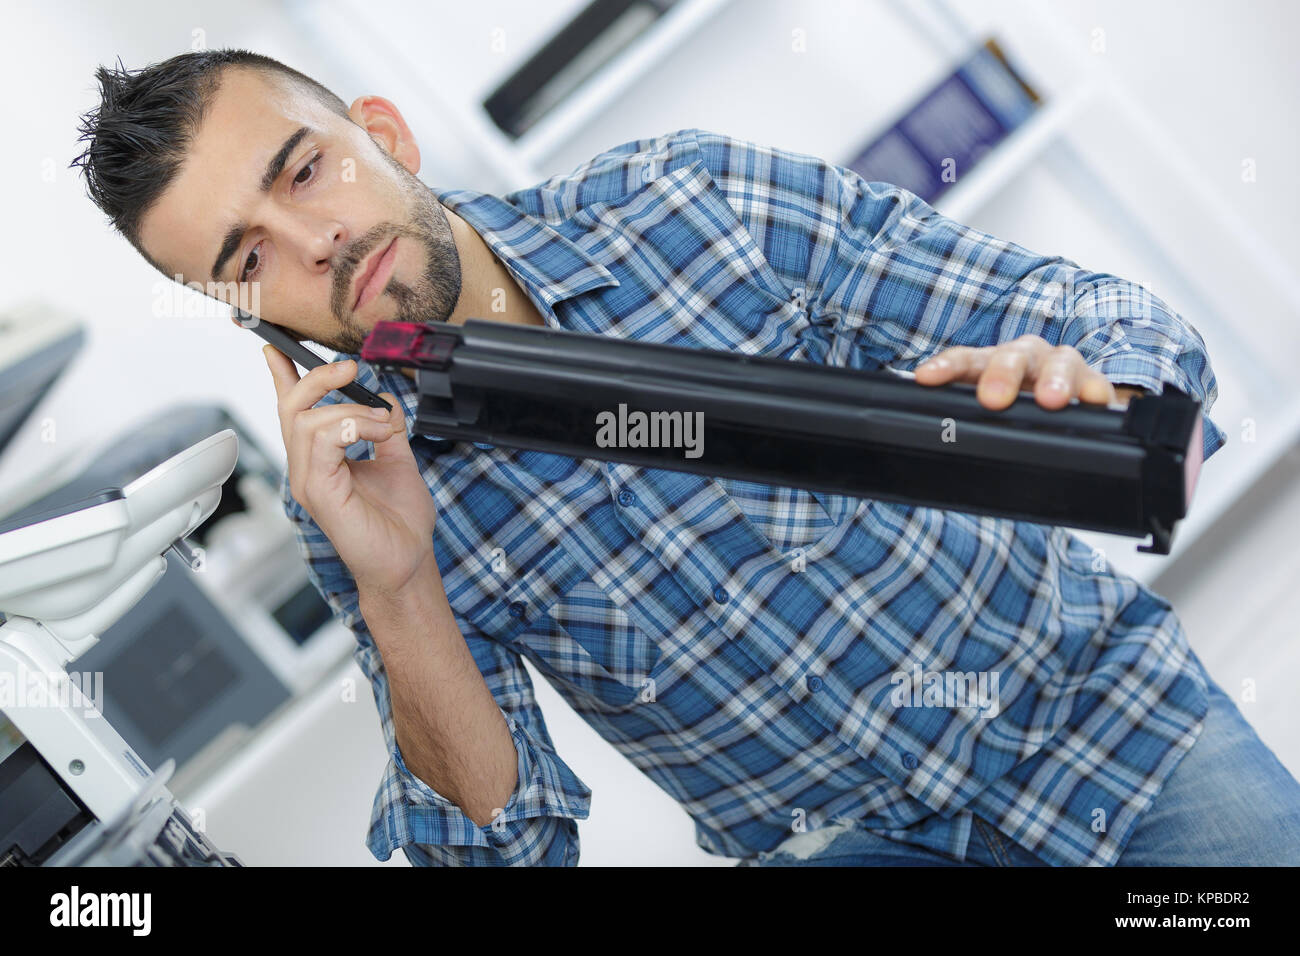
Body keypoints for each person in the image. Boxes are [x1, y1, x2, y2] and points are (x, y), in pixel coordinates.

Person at [71, 49, 1300, 867]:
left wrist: (1098, 392)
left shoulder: (690, 199)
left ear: (385, 134)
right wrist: (400, 587)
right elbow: (507, 849)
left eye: (305, 169)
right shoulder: (354, 503)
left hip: (1110, 727)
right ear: (245, 319)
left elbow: (1081, 306)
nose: (316, 241)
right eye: (246, 257)